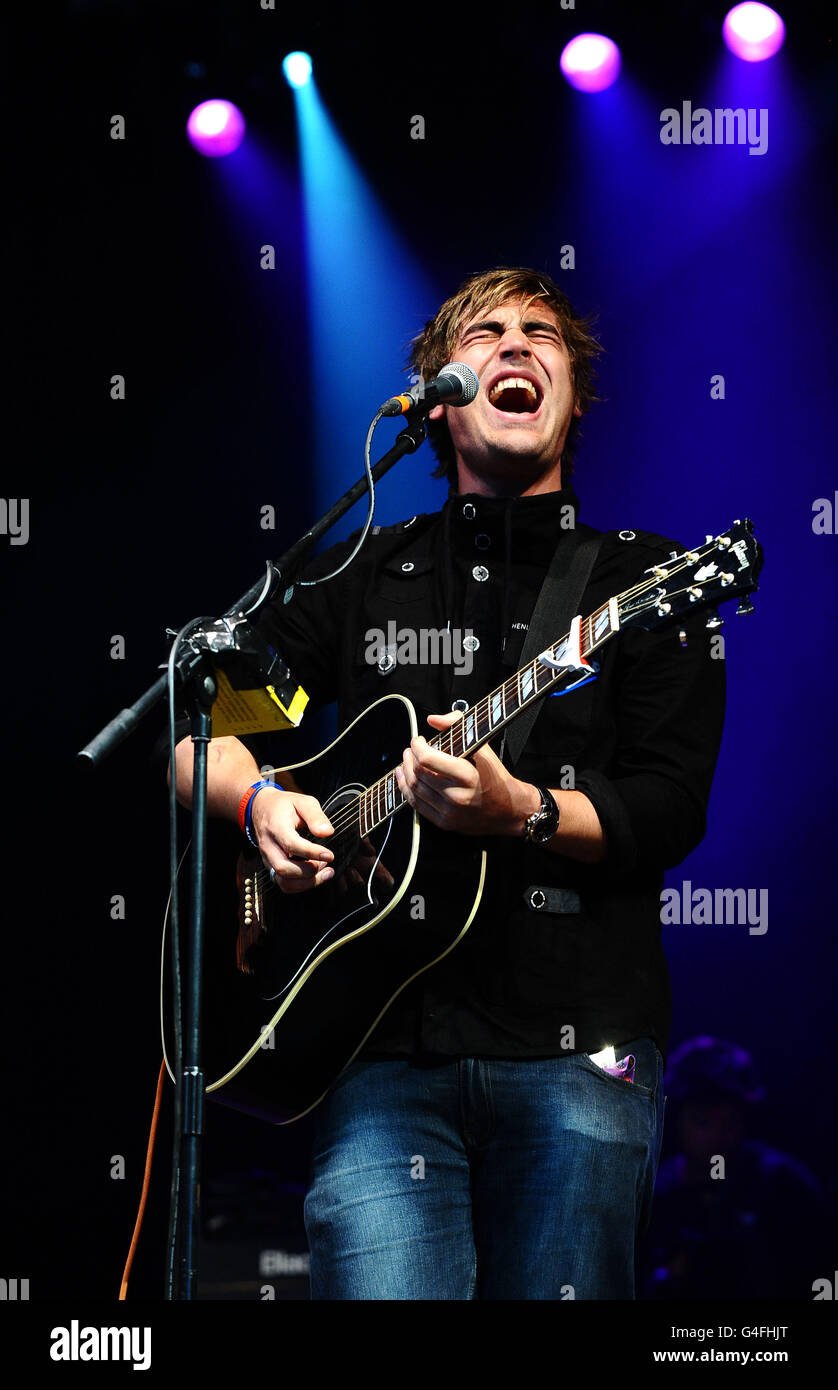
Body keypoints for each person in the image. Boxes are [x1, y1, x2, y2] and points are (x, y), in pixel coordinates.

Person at [172, 266, 726, 1299]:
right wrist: (260, 804)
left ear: (572, 392)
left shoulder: (645, 585)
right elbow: (196, 726)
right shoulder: (362, 573)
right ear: (437, 396)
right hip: (377, 1053)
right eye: (486, 332)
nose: (517, 346)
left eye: (542, 334)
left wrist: (524, 809)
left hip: (576, 1046)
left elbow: (667, 806)